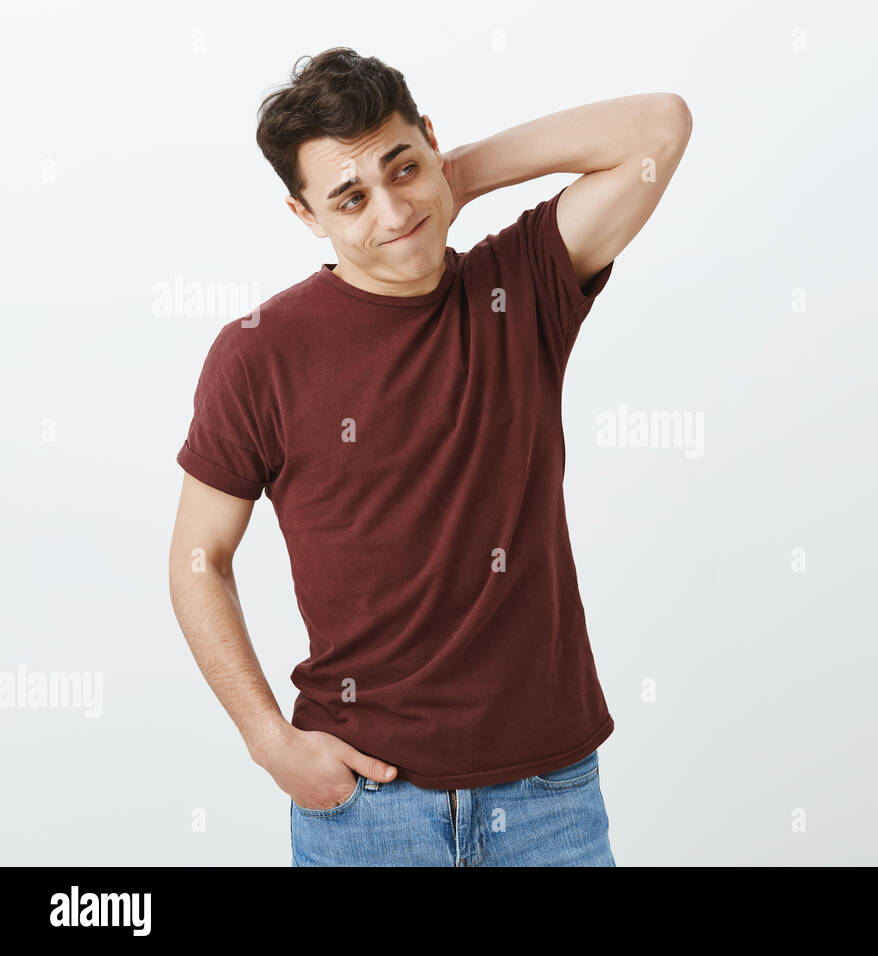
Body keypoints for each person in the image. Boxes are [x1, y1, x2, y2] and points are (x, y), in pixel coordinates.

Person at [167, 47, 691, 866]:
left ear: (431, 143)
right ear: (307, 217)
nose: (391, 211)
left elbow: (660, 125)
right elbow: (200, 557)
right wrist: (269, 742)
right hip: (365, 812)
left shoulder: (522, 285)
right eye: (350, 196)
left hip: (548, 799)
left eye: (402, 167)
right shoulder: (257, 356)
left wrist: (456, 178)